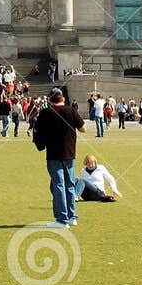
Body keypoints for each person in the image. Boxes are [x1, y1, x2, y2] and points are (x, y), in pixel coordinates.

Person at [33, 88, 85, 227]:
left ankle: (62, 219)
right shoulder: (71, 111)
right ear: (62, 99)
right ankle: (72, 216)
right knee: (69, 184)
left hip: (54, 154)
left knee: (58, 185)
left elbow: (38, 131)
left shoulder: (46, 113)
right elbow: (83, 128)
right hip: (69, 153)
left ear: (50, 99)